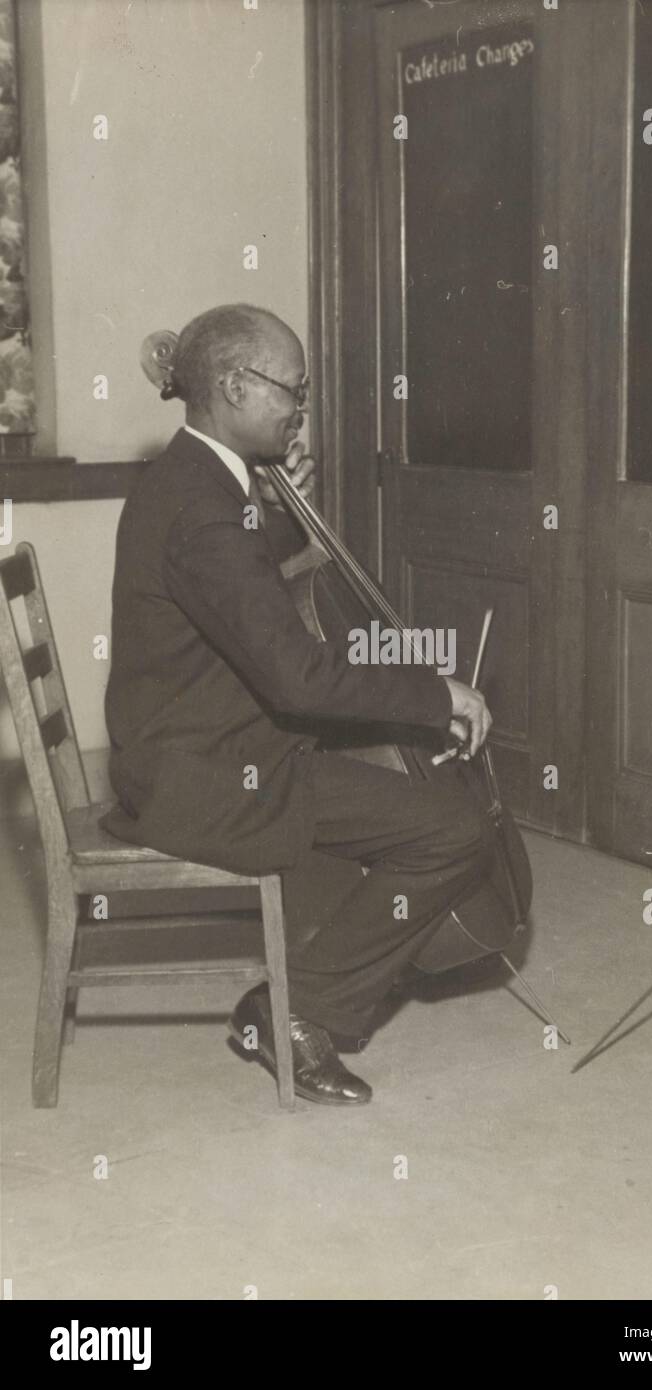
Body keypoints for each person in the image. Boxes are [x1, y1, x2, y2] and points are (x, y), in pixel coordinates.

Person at [103, 303, 493, 1106]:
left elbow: (249, 611)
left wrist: (273, 514)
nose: (300, 411)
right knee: (453, 828)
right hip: (208, 776)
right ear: (237, 387)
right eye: (294, 392)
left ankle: (294, 999)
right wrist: (433, 693)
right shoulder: (203, 508)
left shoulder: (199, 479)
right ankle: (298, 1008)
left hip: (204, 747)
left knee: (429, 811)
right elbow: (298, 680)